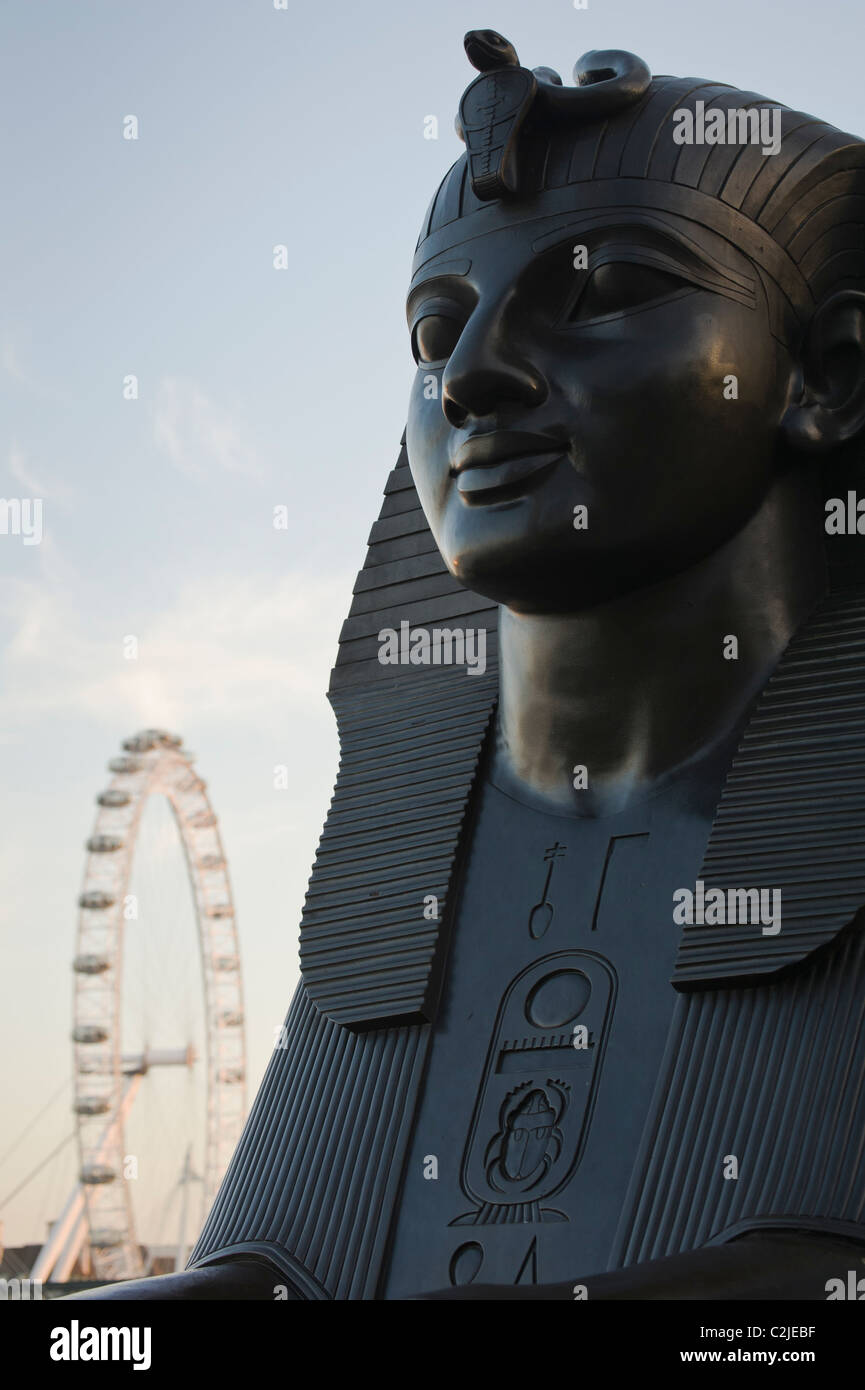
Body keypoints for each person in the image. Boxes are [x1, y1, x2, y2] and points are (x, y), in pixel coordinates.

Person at [79, 33, 865, 1300]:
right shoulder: (410, 869)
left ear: (828, 377)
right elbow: (265, 1280)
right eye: (436, 326)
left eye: (607, 292)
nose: (473, 376)